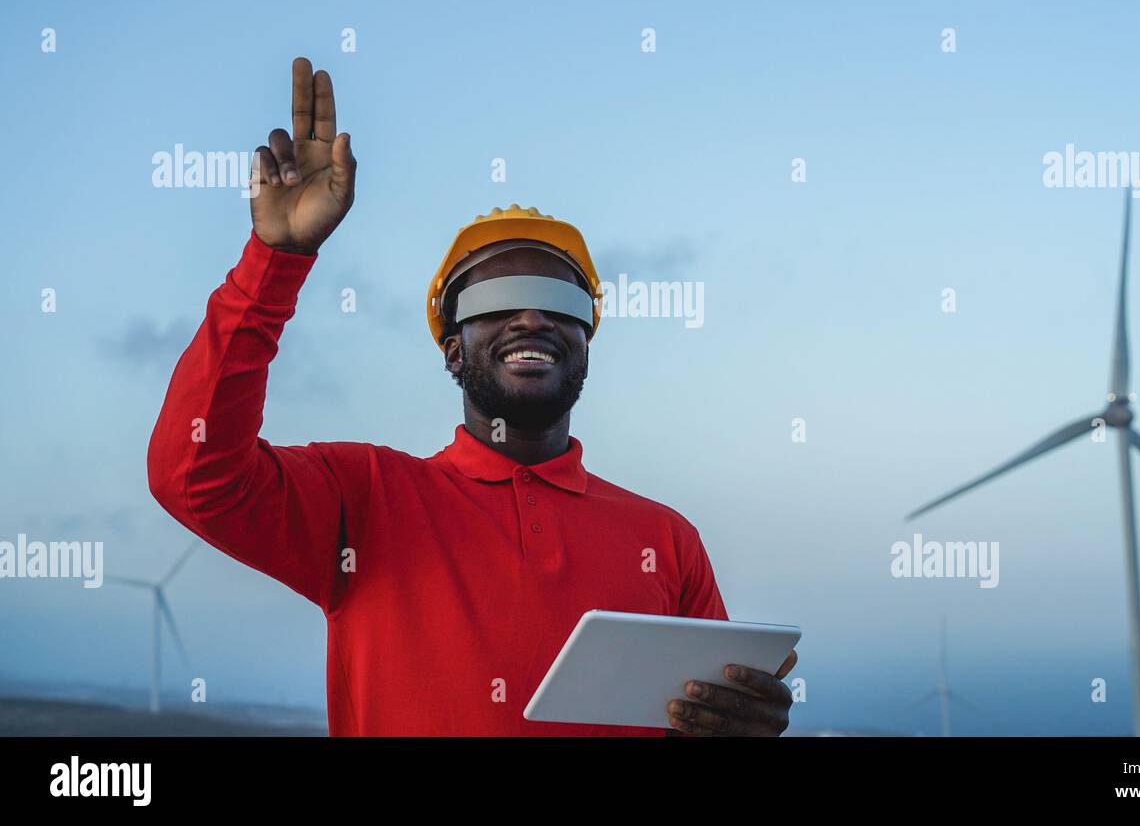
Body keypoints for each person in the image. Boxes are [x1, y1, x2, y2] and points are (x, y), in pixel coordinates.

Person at [146, 57, 796, 736]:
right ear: (452, 348)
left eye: (559, 300)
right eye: (493, 302)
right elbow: (192, 476)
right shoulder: (363, 499)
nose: (531, 318)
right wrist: (273, 262)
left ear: (586, 340)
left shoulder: (667, 540)